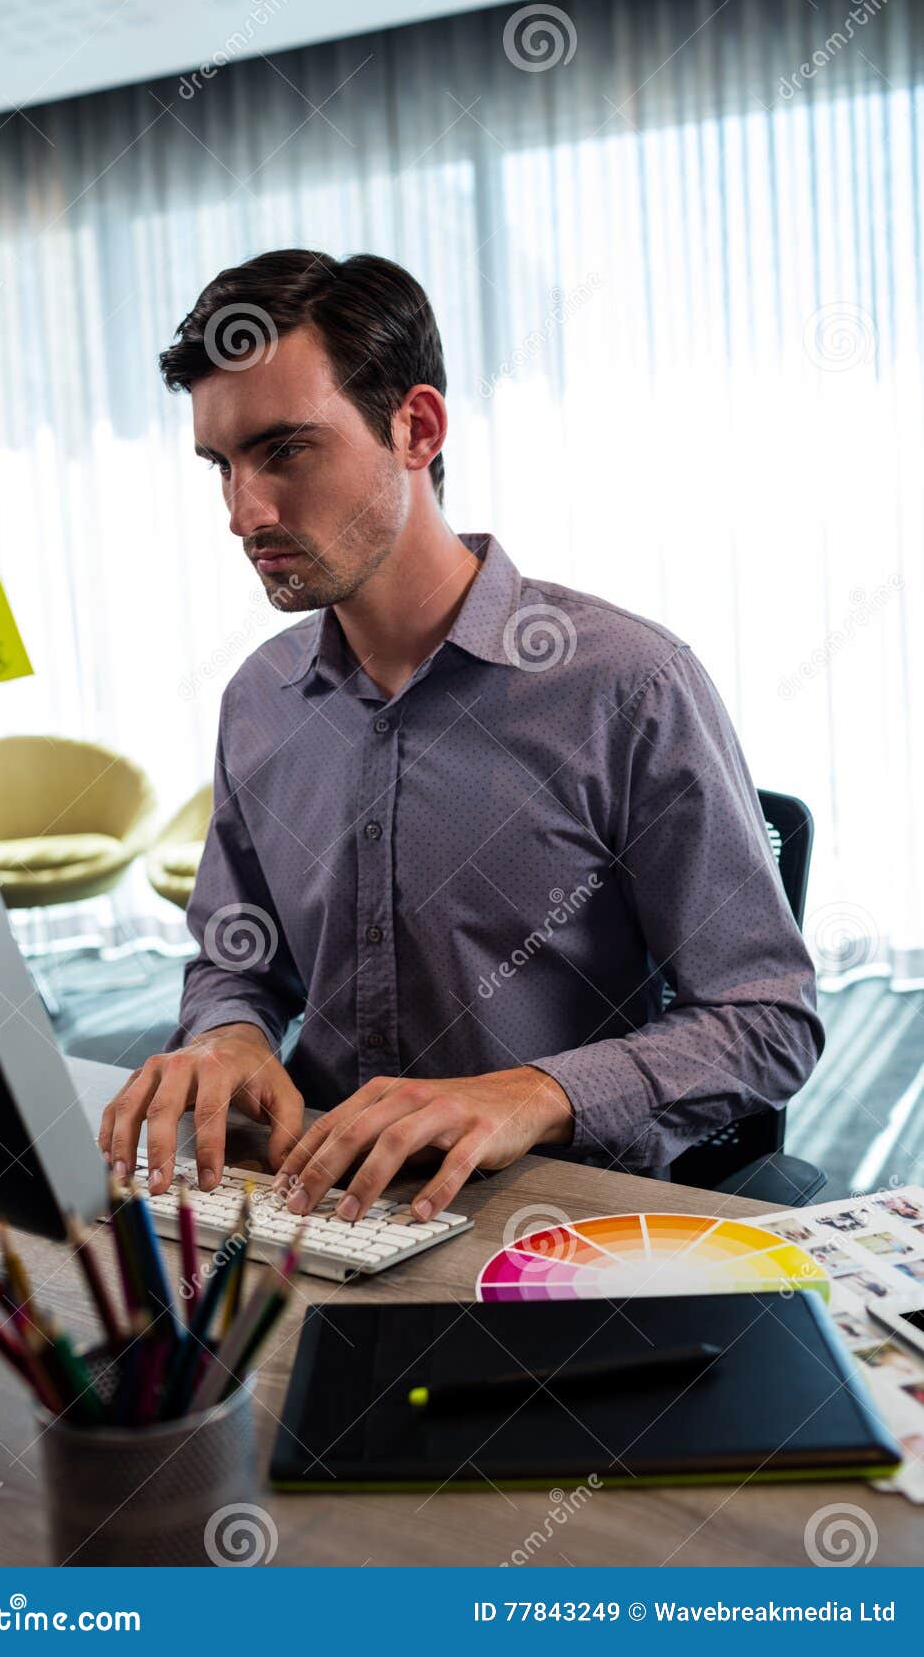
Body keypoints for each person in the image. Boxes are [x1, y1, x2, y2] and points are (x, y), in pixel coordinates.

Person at [99, 248, 824, 1225]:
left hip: (543, 1225)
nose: (244, 512)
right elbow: (238, 958)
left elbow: (764, 1019)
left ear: (415, 427)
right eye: (221, 465)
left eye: (284, 450)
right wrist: (230, 1034)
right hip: (308, 1210)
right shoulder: (259, 698)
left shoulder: (625, 685)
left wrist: (533, 1093)